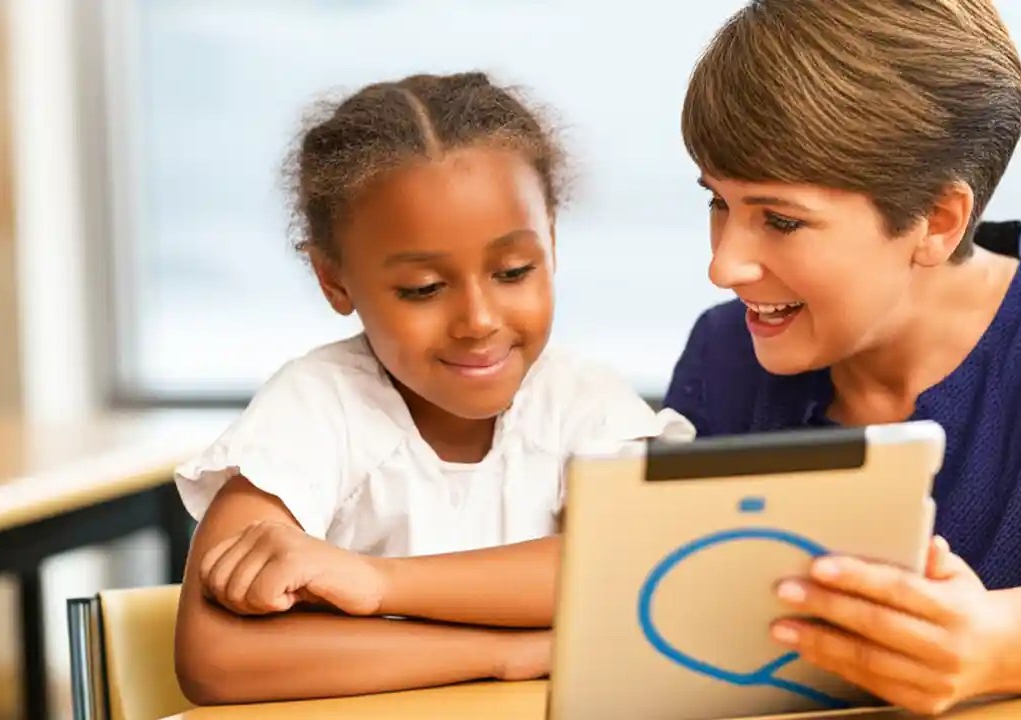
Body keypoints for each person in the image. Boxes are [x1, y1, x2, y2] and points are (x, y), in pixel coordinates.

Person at [664, 0, 1021, 714]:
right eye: (718, 203)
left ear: (938, 220)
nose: (724, 265)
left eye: (780, 220)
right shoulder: (724, 353)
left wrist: (997, 639)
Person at [172, 71, 692, 705]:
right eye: (422, 288)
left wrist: (375, 584)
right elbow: (216, 658)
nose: (478, 320)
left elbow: (647, 568)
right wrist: (501, 655)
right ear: (334, 280)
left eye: (513, 271)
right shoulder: (316, 408)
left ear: (551, 240)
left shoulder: (585, 405)